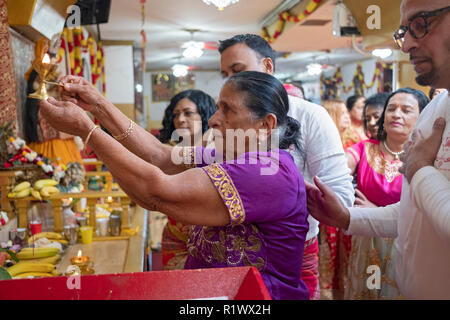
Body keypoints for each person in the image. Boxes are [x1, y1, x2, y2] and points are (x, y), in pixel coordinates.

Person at [40, 71, 311, 300]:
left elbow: (158, 192)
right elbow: (161, 157)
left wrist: (87, 131)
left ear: (265, 125)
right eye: (218, 107)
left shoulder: (268, 173)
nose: (214, 119)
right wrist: (98, 105)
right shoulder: (229, 153)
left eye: (227, 109)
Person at [306, 0, 450, 299]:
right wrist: (347, 217)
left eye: (420, 25)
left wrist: (421, 169)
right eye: (404, 32)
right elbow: (414, 212)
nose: (407, 44)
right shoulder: (437, 109)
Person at [218, 33, 354, 300]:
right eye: (225, 74)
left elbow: (342, 198)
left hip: (292, 252)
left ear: (268, 67)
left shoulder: (310, 116)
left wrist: (290, 192)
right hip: (233, 249)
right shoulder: (228, 119)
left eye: (238, 71)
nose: (231, 81)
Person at [345, 88, 429, 300]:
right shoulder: (363, 149)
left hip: (408, 240)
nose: (396, 114)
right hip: (367, 240)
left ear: (422, 117)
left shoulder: (428, 155)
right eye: (391, 109)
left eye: (406, 110)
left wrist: (376, 210)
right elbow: (336, 171)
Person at [158, 89, 217, 270]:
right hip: (176, 236)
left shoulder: (219, 150)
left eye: (188, 113)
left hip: (212, 240)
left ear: (205, 115)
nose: (180, 119)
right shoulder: (169, 149)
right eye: (176, 114)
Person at [318, 99, 353, 299]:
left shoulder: (353, 140)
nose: (347, 116)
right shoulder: (327, 143)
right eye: (343, 113)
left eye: (348, 112)